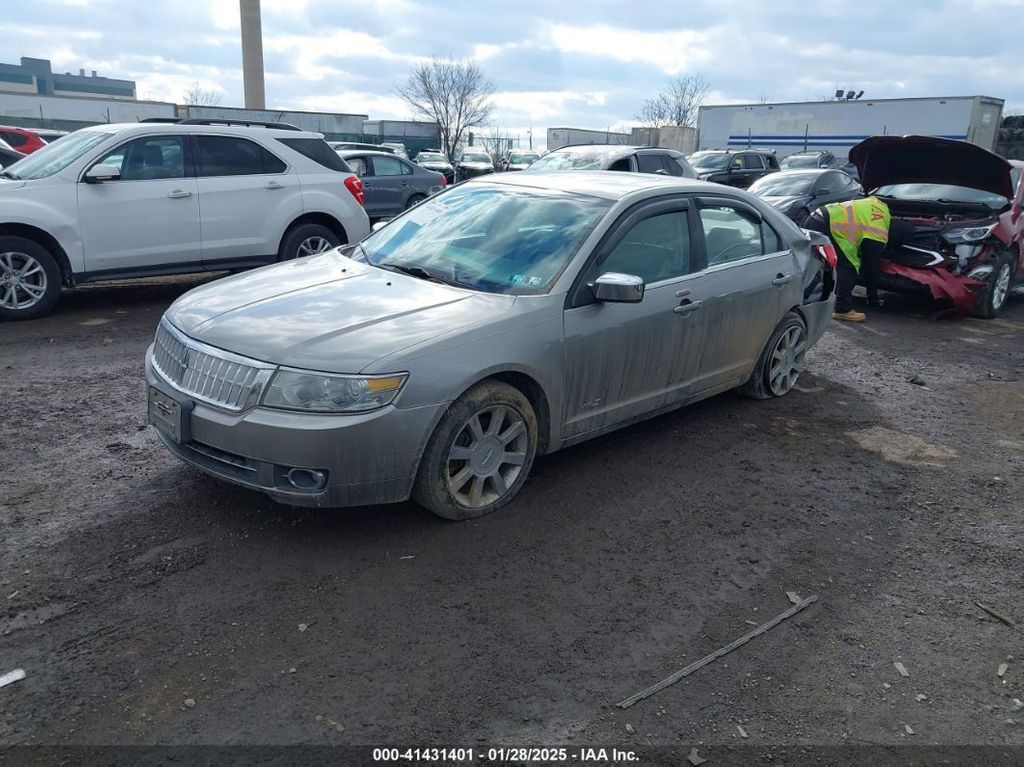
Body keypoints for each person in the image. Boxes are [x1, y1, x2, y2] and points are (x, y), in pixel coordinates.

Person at [804, 196, 910, 322]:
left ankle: (807, 297)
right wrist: (873, 298)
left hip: (816, 216)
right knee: (848, 265)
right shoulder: (878, 235)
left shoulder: (881, 207)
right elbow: (870, 268)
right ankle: (842, 309)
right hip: (828, 224)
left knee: (819, 263)